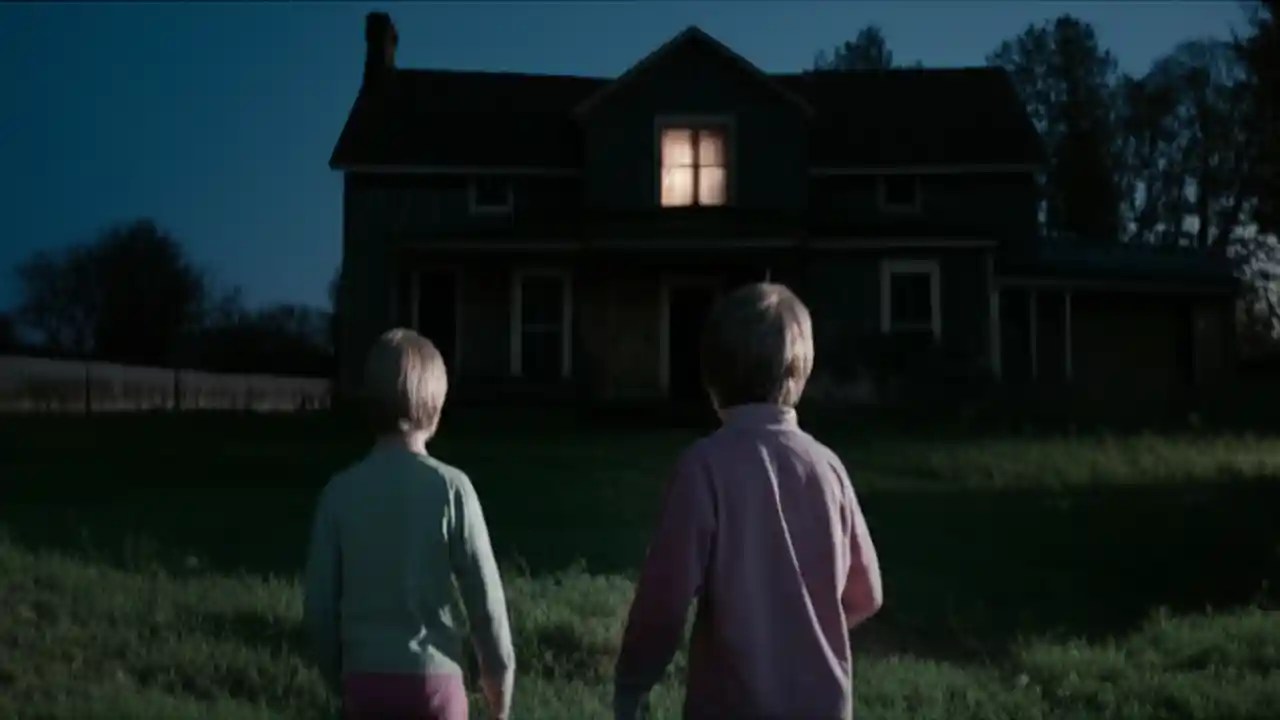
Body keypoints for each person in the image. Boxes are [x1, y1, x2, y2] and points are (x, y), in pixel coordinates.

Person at [614, 282, 883, 720]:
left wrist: (633, 681)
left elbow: (664, 599)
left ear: (711, 380)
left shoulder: (704, 467)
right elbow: (866, 594)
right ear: (802, 374)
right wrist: (799, 636)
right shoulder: (827, 467)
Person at [304, 328, 515, 720]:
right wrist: (499, 693)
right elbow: (486, 601)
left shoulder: (339, 493)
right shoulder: (452, 489)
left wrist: (341, 678)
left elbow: (319, 607)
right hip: (435, 686)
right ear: (435, 408)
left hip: (364, 683)